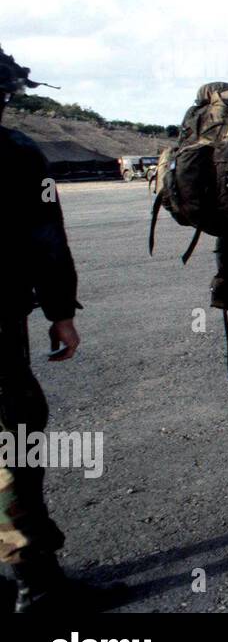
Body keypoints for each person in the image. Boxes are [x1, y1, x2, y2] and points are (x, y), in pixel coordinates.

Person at [0, 47, 118, 612]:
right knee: (13, 440)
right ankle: (35, 583)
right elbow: (47, 242)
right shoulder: (15, 154)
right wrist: (61, 313)